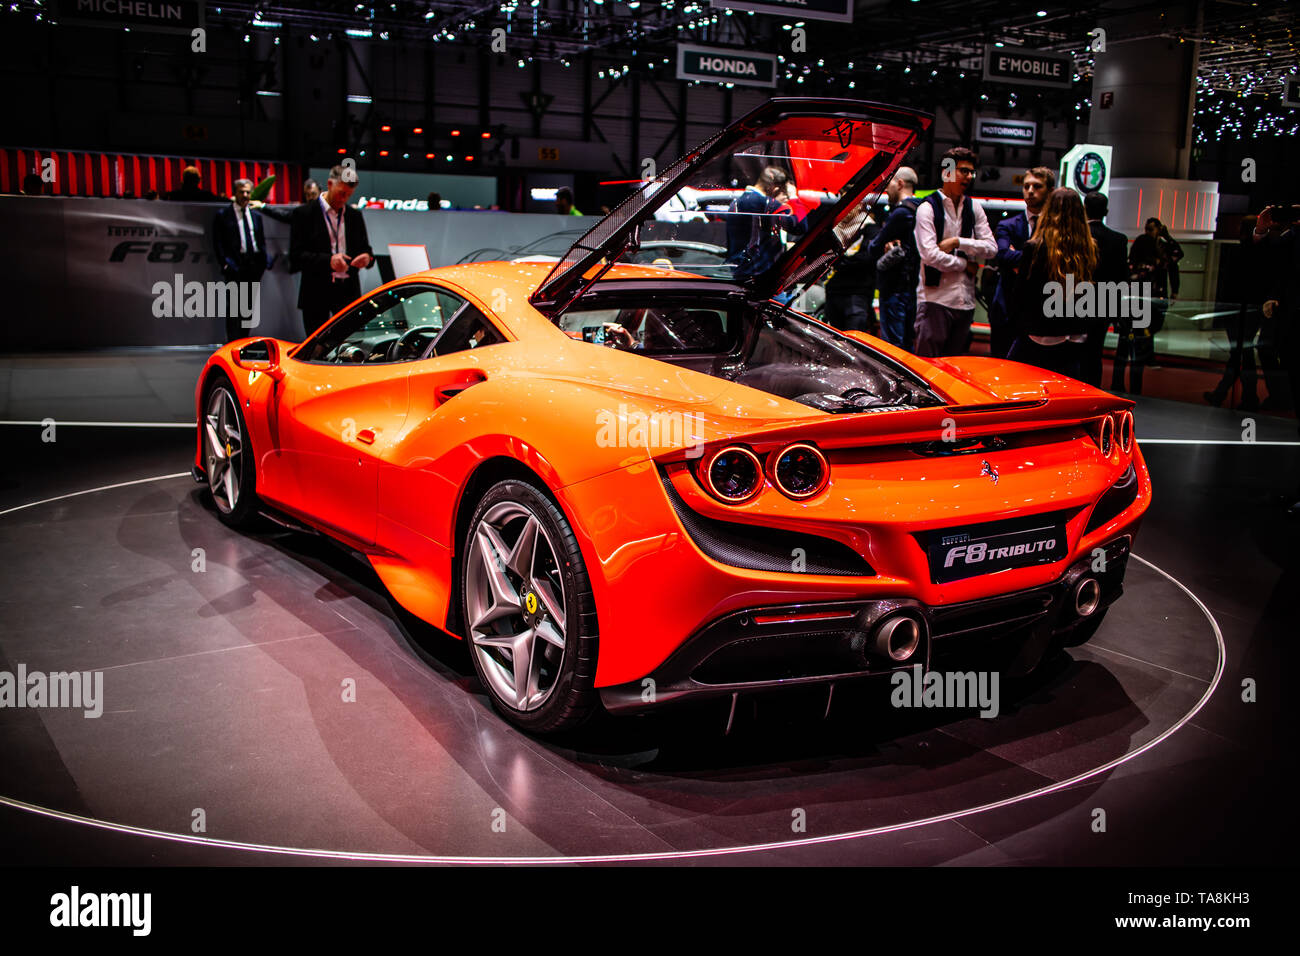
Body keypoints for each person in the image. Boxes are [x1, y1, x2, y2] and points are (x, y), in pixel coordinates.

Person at [1006, 188, 1098, 378]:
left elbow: (1022, 293)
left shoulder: (1036, 246)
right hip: (1075, 333)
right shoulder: (1090, 248)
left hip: (1040, 332)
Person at [913, 147, 996, 357]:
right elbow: (930, 255)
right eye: (963, 171)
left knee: (954, 371)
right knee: (927, 370)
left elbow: (991, 248)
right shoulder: (928, 208)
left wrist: (957, 242)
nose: (968, 177)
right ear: (947, 172)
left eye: (970, 172)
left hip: (965, 302)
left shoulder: (974, 207)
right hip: (935, 300)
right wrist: (964, 264)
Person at [289, 165, 375, 338]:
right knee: (315, 350)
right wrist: (328, 261)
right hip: (315, 292)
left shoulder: (354, 216)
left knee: (347, 347)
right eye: (341, 193)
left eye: (349, 195)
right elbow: (296, 257)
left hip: (348, 293)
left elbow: (367, 250)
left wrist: (367, 258)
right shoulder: (304, 214)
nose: (344, 199)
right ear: (329, 184)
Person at [1204, 215, 1270, 410]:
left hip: (1237, 311)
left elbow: (1228, 285)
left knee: (1239, 354)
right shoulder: (1265, 252)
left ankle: (1231, 395)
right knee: (1242, 354)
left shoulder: (1240, 252)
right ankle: (1236, 395)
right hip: (1252, 310)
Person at [989, 167, 1054, 359]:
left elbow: (1052, 261)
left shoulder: (1055, 228)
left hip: (1041, 312)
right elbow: (1002, 256)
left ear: (1050, 190)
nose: (1030, 191)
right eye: (1026, 186)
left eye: (1037, 186)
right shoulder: (1007, 225)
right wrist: (1038, 261)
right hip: (1006, 307)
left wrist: (1019, 259)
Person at [1117, 217, 1181, 393]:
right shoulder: (1157, 262)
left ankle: (1119, 382)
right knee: (1140, 342)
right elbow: (1176, 256)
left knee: (1125, 345)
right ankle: (1135, 386)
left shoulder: (1136, 263)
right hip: (1145, 303)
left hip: (1132, 304)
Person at [865, 166, 921, 350]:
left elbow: (874, 247)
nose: (886, 190)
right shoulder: (922, 209)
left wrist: (882, 245)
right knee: (907, 344)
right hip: (914, 286)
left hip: (894, 288)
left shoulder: (901, 213)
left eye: (888, 184)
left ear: (900, 183)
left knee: (893, 348)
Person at [212, 178, 271, 342]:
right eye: (241, 192)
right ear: (235, 193)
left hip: (254, 265)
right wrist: (225, 263)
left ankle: (244, 342)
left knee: (249, 308)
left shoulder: (255, 216)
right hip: (234, 266)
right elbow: (218, 242)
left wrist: (264, 261)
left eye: (247, 192)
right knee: (233, 309)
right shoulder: (223, 215)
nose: (245, 195)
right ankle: (233, 344)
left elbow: (260, 240)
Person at [725, 166, 805, 283]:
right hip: (762, 278)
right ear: (776, 188)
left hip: (739, 274)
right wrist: (794, 197)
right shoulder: (767, 204)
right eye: (784, 191)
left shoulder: (736, 203)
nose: (785, 197)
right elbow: (800, 226)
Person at [1083, 191, 1129, 388]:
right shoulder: (1119, 240)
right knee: (1095, 353)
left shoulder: (1078, 236)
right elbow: (1122, 277)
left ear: (1084, 210)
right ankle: (1094, 392)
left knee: (1075, 353)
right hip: (1103, 303)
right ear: (1106, 211)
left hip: (1075, 301)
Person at [824, 203, 880, 334]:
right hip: (834, 292)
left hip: (857, 293)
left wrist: (841, 261)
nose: (846, 209)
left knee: (853, 341)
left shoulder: (870, 227)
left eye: (851, 205)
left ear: (860, 205)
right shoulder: (835, 229)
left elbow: (866, 259)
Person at [256, 178, 321, 223]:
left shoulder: (326, 211)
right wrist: (263, 206)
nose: (310, 198)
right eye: (307, 195)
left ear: (320, 192)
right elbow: (282, 215)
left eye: (313, 194)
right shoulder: (302, 213)